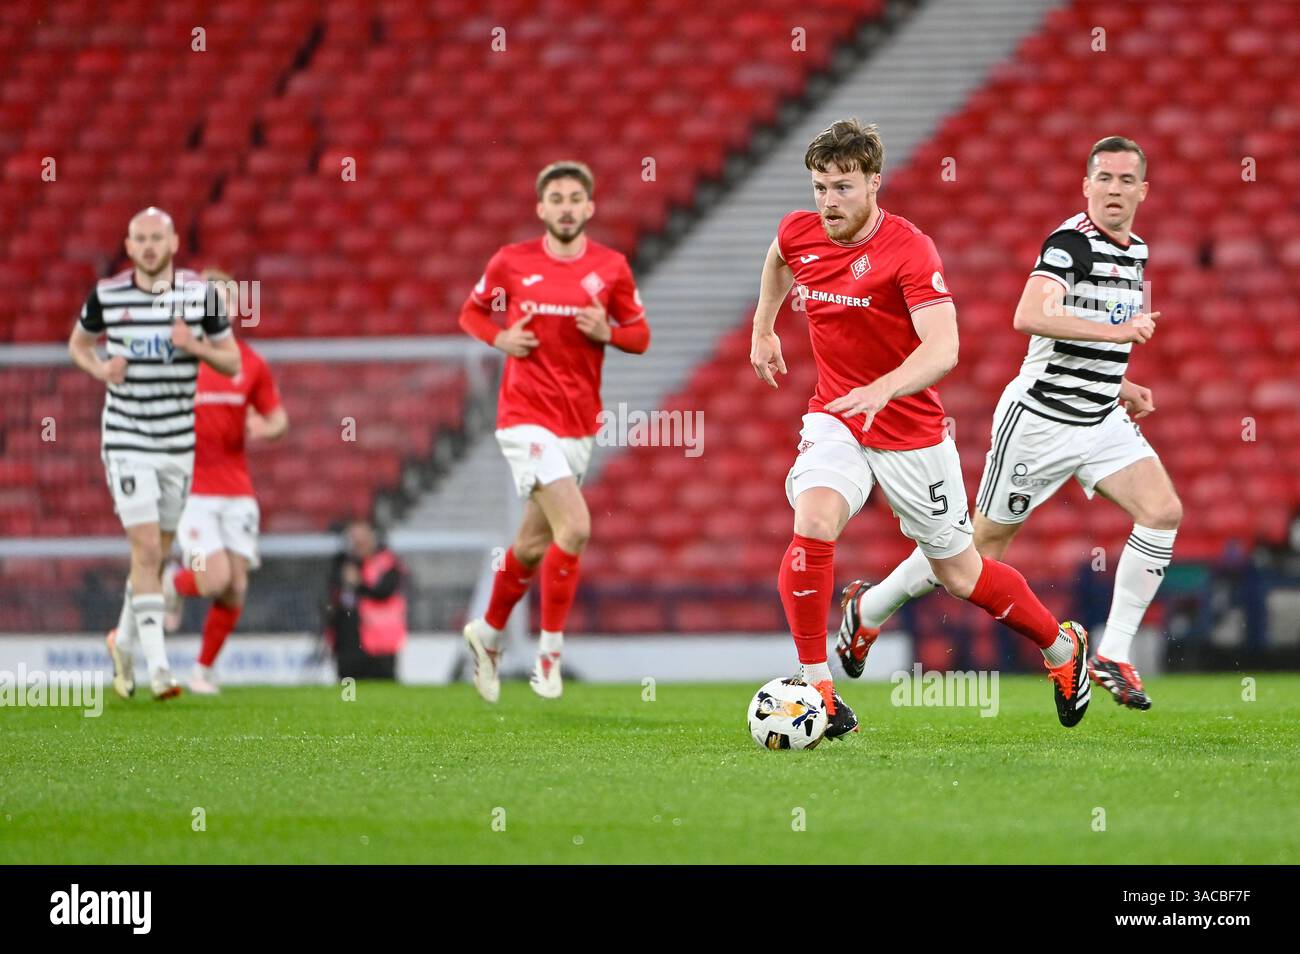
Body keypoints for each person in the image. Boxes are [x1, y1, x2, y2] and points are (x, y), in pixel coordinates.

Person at [750, 120, 1092, 736]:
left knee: (962, 575)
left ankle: (1062, 650)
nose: (829, 202)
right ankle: (817, 688)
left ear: (874, 184)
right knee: (814, 521)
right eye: (820, 186)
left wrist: (884, 387)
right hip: (837, 417)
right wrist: (764, 328)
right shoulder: (800, 230)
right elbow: (779, 260)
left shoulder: (909, 249)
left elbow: (945, 348)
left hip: (911, 432)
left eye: (843, 188)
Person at [842, 136, 1176, 711]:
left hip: (1099, 419)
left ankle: (1114, 654)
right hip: (1040, 422)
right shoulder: (1072, 244)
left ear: (1143, 190)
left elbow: (1080, 333)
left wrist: (1120, 383)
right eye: (1104, 178)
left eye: (1126, 180)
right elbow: (1031, 315)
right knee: (973, 552)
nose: (1114, 189)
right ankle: (868, 610)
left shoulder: (1136, 251)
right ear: (1086, 185)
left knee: (1163, 511)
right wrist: (1119, 335)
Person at [458, 160, 651, 702]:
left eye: (575, 199)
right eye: (556, 199)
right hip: (524, 418)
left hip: (578, 424)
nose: (566, 207)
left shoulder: (610, 267)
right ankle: (550, 653)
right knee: (578, 527)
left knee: (532, 542)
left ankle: (487, 634)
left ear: (589, 208)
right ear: (541, 208)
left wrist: (606, 331)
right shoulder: (511, 262)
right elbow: (471, 314)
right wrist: (500, 340)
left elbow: (640, 337)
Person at [68, 207, 240, 700]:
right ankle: (160, 669)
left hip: (176, 443)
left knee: (159, 556)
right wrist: (100, 369)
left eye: (155, 238)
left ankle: (121, 644)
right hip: (126, 437)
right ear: (128, 245)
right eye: (139, 238)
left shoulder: (198, 295)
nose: (147, 246)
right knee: (145, 549)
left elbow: (231, 360)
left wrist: (197, 346)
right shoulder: (107, 295)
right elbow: (78, 346)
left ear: (172, 243)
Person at [163, 268, 289, 694]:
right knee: (214, 578)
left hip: (237, 490)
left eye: (225, 298)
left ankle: (202, 671)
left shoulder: (250, 363)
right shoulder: (177, 359)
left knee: (235, 588)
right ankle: (171, 582)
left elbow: (278, 418)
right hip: (193, 490)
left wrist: (265, 428)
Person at [325, 520, 407, 680]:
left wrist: (359, 583)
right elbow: (332, 594)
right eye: (354, 539)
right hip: (348, 639)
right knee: (349, 687)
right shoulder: (342, 563)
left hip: (380, 641)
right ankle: (348, 701)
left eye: (362, 539)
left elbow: (384, 591)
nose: (358, 544)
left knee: (383, 688)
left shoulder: (386, 562)